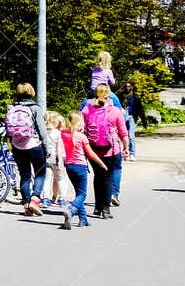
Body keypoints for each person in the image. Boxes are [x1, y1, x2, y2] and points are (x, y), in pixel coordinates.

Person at [83, 83, 129, 217]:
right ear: (109, 94)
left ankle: (97, 207)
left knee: (98, 177)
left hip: (93, 150)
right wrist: (126, 148)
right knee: (108, 177)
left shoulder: (87, 109)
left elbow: (82, 129)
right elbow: (123, 133)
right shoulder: (115, 111)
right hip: (111, 150)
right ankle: (106, 209)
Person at [4, 83, 49, 216]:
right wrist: (47, 147)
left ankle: (26, 206)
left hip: (17, 146)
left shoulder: (11, 107)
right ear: (31, 92)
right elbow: (42, 130)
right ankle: (35, 200)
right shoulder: (35, 108)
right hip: (34, 145)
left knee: (24, 175)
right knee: (40, 173)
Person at [58, 112, 103, 229]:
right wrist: (102, 164)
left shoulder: (63, 134)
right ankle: (71, 210)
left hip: (69, 166)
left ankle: (83, 219)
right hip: (80, 167)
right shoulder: (81, 136)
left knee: (78, 193)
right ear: (79, 123)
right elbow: (90, 153)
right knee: (82, 194)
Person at [42, 110, 68, 208]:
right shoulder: (58, 133)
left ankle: (45, 199)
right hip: (57, 159)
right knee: (61, 179)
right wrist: (61, 160)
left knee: (47, 179)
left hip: (46, 159)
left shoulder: (43, 133)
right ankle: (62, 199)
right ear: (55, 122)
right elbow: (60, 148)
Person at [121, 86, 145, 162]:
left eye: (129, 86)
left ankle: (132, 153)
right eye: (126, 86)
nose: (127, 88)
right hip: (123, 117)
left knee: (131, 136)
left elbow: (140, 109)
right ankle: (125, 152)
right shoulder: (121, 96)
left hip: (131, 117)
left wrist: (144, 121)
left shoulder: (135, 97)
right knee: (124, 135)